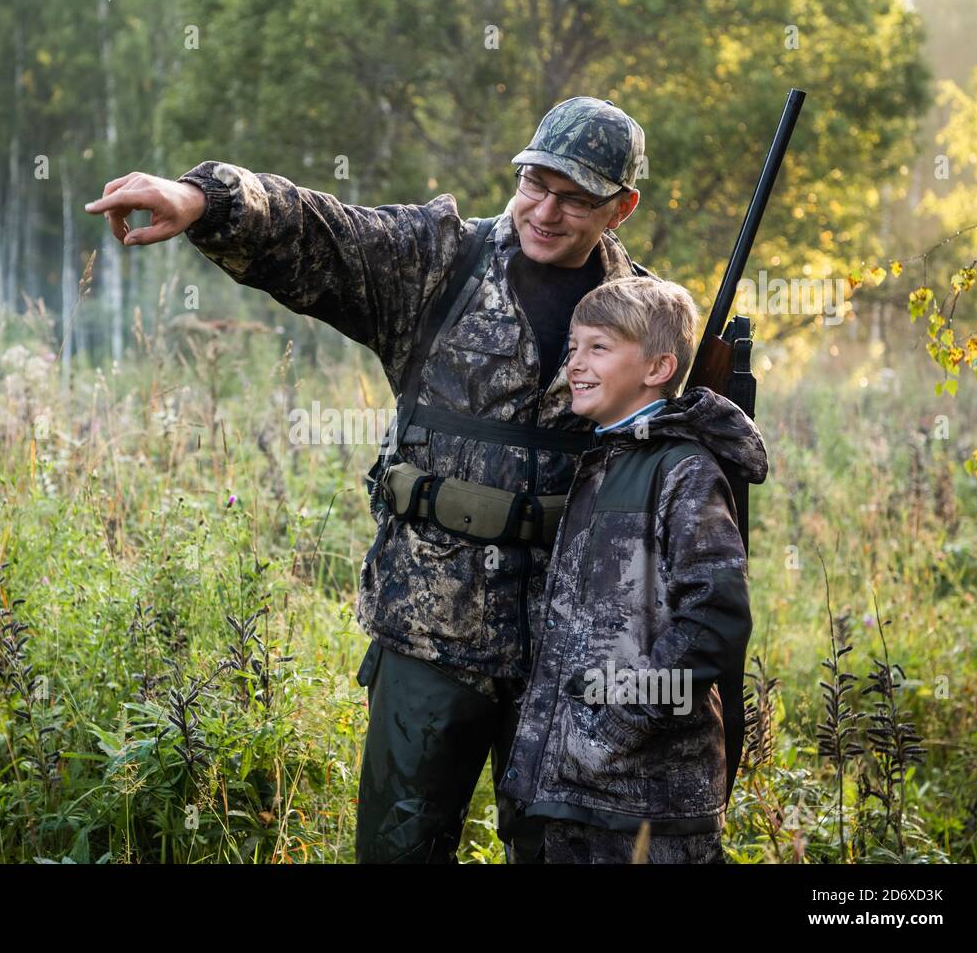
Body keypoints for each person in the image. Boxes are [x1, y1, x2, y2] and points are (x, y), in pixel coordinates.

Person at [86, 97, 652, 864]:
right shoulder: (438, 262)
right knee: (399, 851)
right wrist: (205, 199)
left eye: (576, 198)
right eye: (534, 184)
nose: (546, 212)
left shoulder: (646, 318)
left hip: (575, 646)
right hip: (430, 634)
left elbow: (684, 462)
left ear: (621, 207)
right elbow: (321, 230)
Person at [498, 276, 768, 863]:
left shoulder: (684, 471)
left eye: (599, 347)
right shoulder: (599, 462)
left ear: (658, 367)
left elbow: (713, 621)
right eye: (573, 348)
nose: (575, 363)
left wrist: (614, 728)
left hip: (646, 800)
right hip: (569, 794)